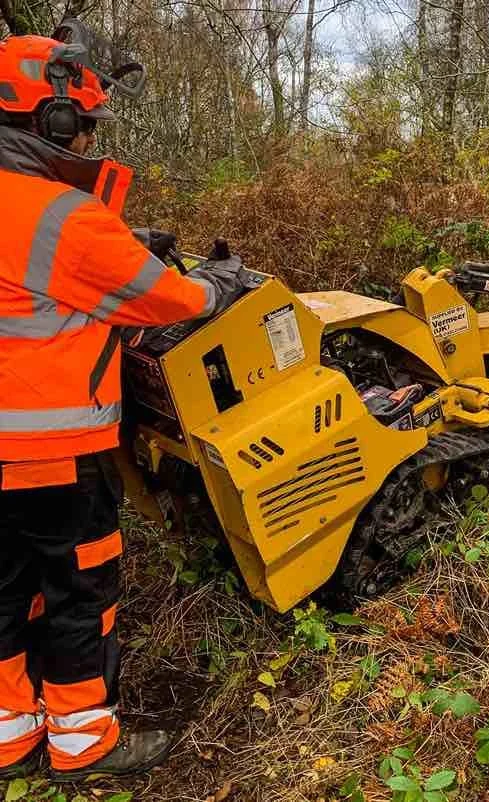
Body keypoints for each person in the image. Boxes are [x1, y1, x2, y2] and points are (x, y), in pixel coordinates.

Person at [0, 30, 246, 782]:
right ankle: (82, 743)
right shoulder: (63, 217)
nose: (90, 139)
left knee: (7, 591)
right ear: (53, 119)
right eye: (86, 124)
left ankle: (10, 736)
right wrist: (217, 285)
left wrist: (125, 241)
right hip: (51, 454)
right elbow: (168, 298)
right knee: (80, 589)